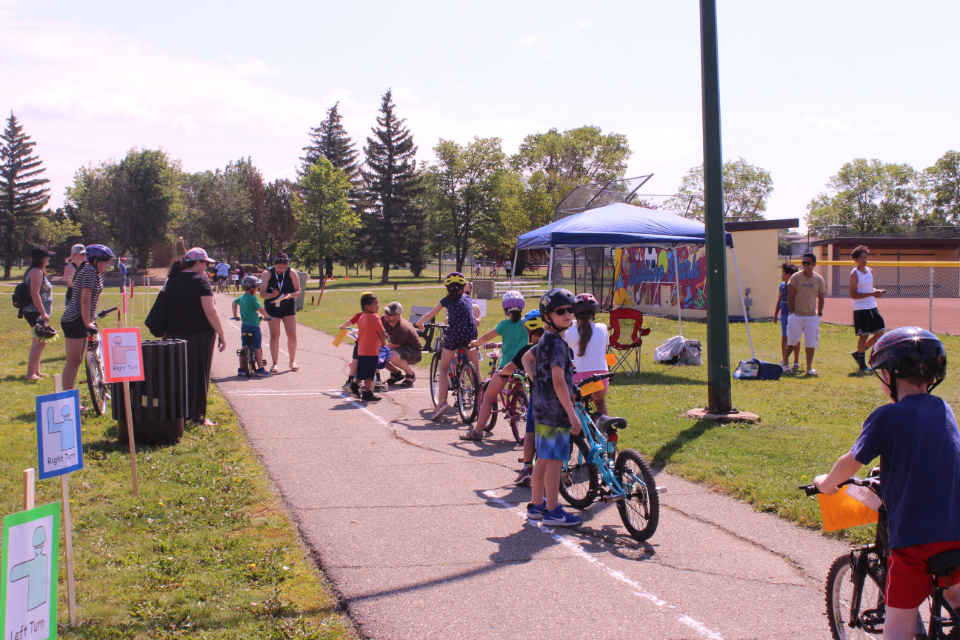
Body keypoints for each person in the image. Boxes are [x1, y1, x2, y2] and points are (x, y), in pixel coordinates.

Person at [814, 327, 960, 640]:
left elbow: (850, 463)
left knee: (897, 627)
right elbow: (931, 451)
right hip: (955, 533)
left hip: (914, 542)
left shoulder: (887, 417)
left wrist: (826, 483)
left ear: (890, 375)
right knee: (954, 594)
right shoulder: (943, 409)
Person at [528, 288, 582, 527]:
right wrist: (572, 414)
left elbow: (526, 359)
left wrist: (538, 383)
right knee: (554, 462)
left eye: (570, 310)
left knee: (542, 459)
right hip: (556, 412)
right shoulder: (558, 345)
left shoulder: (546, 339)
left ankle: (536, 505)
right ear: (547, 317)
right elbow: (559, 381)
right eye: (560, 311)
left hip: (541, 408)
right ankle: (552, 511)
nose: (567, 314)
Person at [161, 248, 227, 425]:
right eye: (206, 263)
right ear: (198, 263)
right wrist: (221, 333)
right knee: (199, 376)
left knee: (178, 376)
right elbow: (210, 311)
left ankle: (178, 415)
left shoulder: (171, 280)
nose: (207, 267)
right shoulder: (199, 281)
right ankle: (198, 416)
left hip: (173, 334)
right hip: (199, 336)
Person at [460, 291, 528, 441]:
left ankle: (477, 431)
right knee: (521, 391)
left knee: (488, 397)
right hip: (523, 367)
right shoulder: (525, 324)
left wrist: (475, 343)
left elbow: (486, 337)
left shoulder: (504, 325)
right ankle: (520, 409)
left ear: (505, 309)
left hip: (507, 367)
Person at [415, 272, 480, 420]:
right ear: (463, 287)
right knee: (476, 366)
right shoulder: (468, 298)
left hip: (455, 335)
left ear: (447, 288)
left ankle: (442, 402)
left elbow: (430, 314)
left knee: (443, 367)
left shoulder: (446, 300)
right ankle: (480, 398)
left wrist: (419, 323)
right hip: (470, 334)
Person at [60, 244, 114, 397]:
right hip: (74, 318)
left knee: (78, 360)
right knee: (73, 361)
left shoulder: (96, 273)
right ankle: (68, 399)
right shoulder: (89, 271)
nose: (107, 266)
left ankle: (72, 398)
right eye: (105, 262)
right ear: (95, 261)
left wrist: (90, 319)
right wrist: (87, 323)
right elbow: (85, 300)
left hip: (83, 318)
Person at [565, 293, 611, 415]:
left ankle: (574, 423)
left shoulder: (571, 332)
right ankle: (605, 425)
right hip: (602, 378)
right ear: (594, 314)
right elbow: (603, 351)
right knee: (599, 401)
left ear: (575, 314)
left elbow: (562, 350)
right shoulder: (603, 328)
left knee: (569, 402)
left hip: (582, 380)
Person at [515, 310, 546, 485]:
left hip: (538, 397)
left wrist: (502, 372)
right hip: (559, 397)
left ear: (528, 331)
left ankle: (527, 468)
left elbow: (510, 367)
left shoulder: (527, 350)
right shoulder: (557, 345)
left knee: (530, 433)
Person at [260, 253, 301, 373]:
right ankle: (275, 363)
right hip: (272, 307)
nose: (281, 270)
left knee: (292, 334)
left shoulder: (291, 272)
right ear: (274, 265)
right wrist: (272, 295)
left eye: (284, 267)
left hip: (288, 306)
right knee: (274, 334)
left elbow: (298, 291)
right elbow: (262, 294)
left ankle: (292, 361)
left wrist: (290, 295)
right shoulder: (267, 274)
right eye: (279, 267)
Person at [787, 252, 826, 376]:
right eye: (803, 262)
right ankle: (785, 362)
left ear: (814, 264)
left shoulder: (818, 279)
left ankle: (809, 368)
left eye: (808, 263)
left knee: (811, 343)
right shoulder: (796, 277)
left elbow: (821, 296)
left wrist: (819, 313)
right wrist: (792, 313)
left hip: (811, 317)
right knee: (792, 341)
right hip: (797, 316)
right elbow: (790, 296)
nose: (805, 265)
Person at [849, 245, 886, 372]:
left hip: (872, 306)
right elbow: (853, 294)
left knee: (880, 332)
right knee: (864, 335)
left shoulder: (870, 271)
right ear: (855, 260)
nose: (864, 260)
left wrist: (877, 291)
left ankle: (858, 354)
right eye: (861, 258)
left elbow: (870, 289)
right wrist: (872, 293)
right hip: (861, 309)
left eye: (866, 257)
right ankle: (862, 365)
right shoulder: (854, 274)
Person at [22, 246, 56, 380]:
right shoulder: (37, 272)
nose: (49, 259)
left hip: (35, 311)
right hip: (35, 311)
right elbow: (34, 294)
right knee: (41, 341)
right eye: (47, 256)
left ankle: (36, 371)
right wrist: (43, 313)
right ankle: (31, 374)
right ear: (42, 258)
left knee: (38, 340)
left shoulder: (36, 271)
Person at [231, 276, 270, 376]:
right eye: (256, 288)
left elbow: (234, 303)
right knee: (257, 347)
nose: (256, 290)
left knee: (244, 346)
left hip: (244, 326)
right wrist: (267, 316)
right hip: (254, 327)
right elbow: (260, 309)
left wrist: (235, 315)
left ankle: (241, 369)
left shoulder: (242, 297)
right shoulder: (253, 298)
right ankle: (260, 369)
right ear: (252, 288)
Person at [380, 301, 421, 387]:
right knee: (376, 354)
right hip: (399, 349)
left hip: (414, 353)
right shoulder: (384, 319)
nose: (386, 315)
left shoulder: (402, 329)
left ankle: (410, 374)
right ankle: (396, 374)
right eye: (386, 312)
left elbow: (388, 349)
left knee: (385, 354)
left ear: (398, 316)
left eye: (390, 314)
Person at [355, 292, 387, 402]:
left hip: (362, 349)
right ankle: (354, 386)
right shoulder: (375, 317)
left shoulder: (362, 317)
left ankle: (367, 392)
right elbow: (381, 332)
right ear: (367, 306)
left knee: (365, 372)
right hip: (371, 350)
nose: (378, 306)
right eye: (375, 304)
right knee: (369, 373)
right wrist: (383, 340)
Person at [774, 262, 800, 372]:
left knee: (795, 337)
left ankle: (796, 361)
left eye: (783, 272)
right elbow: (779, 300)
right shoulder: (781, 286)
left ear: (789, 274)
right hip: (784, 314)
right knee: (784, 337)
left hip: (794, 315)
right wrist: (775, 314)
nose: (781, 274)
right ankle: (785, 360)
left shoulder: (796, 286)